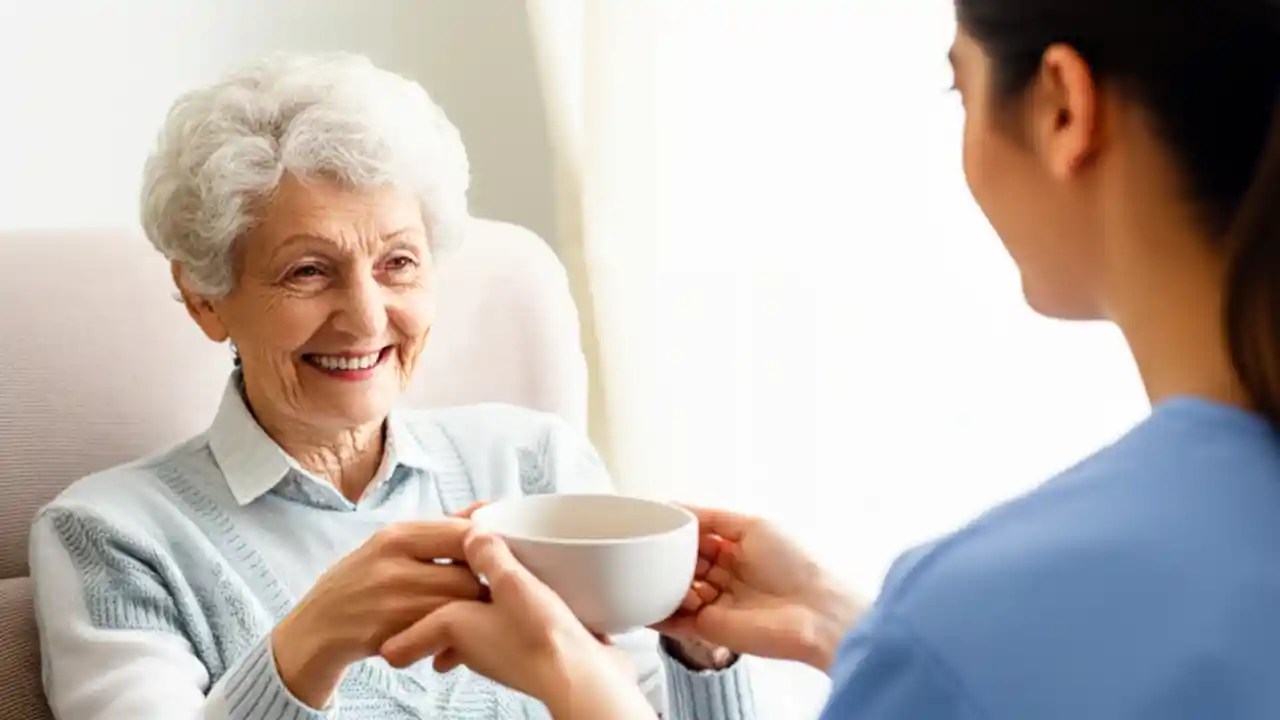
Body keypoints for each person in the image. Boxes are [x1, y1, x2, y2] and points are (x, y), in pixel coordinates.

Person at [375, 0, 1280, 717]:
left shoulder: (983, 613)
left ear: (1061, 107)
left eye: (956, 90)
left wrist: (579, 686)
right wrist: (854, 633)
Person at [27, 52, 756, 720]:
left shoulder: (535, 463)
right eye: (308, 271)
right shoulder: (110, 535)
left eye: (398, 263)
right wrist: (310, 642)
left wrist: (703, 652)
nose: (366, 318)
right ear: (205, 298)